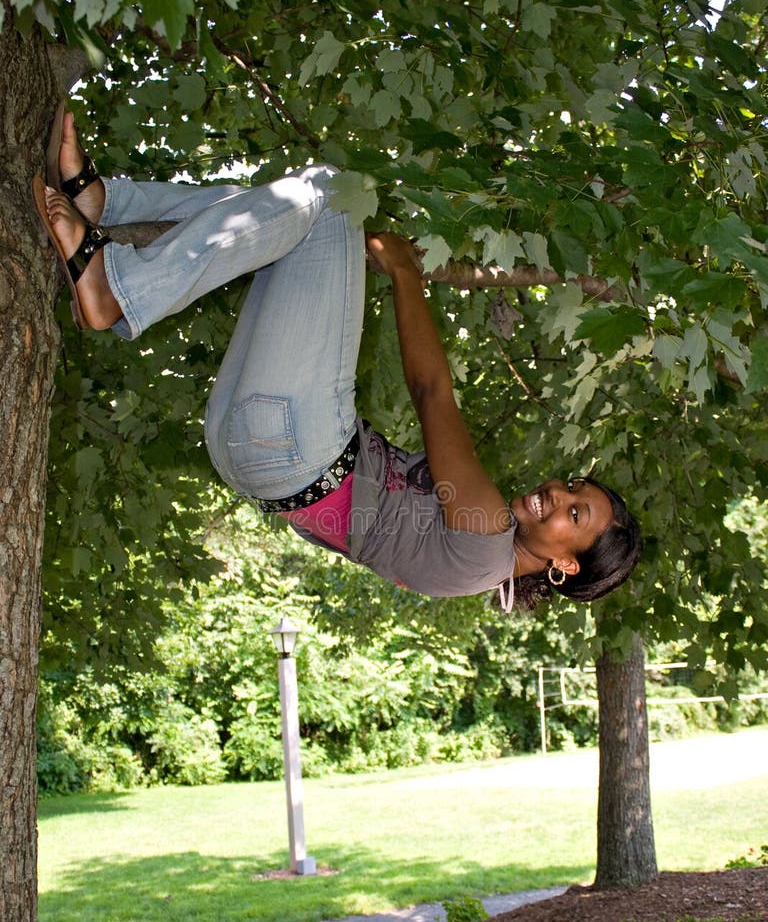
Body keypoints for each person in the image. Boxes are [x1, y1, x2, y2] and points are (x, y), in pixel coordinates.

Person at [33, 106, 641, 612]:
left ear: (563, 564)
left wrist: (405, 272)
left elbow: (432, 391)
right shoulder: (475, 571)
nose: (556, 494)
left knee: (333, 195)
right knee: (280, 221)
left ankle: (119, 288)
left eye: (574, 514)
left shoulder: (486, 537)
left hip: (298, 447)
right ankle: (105, 203)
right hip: (255, 454)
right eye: (574, 487)